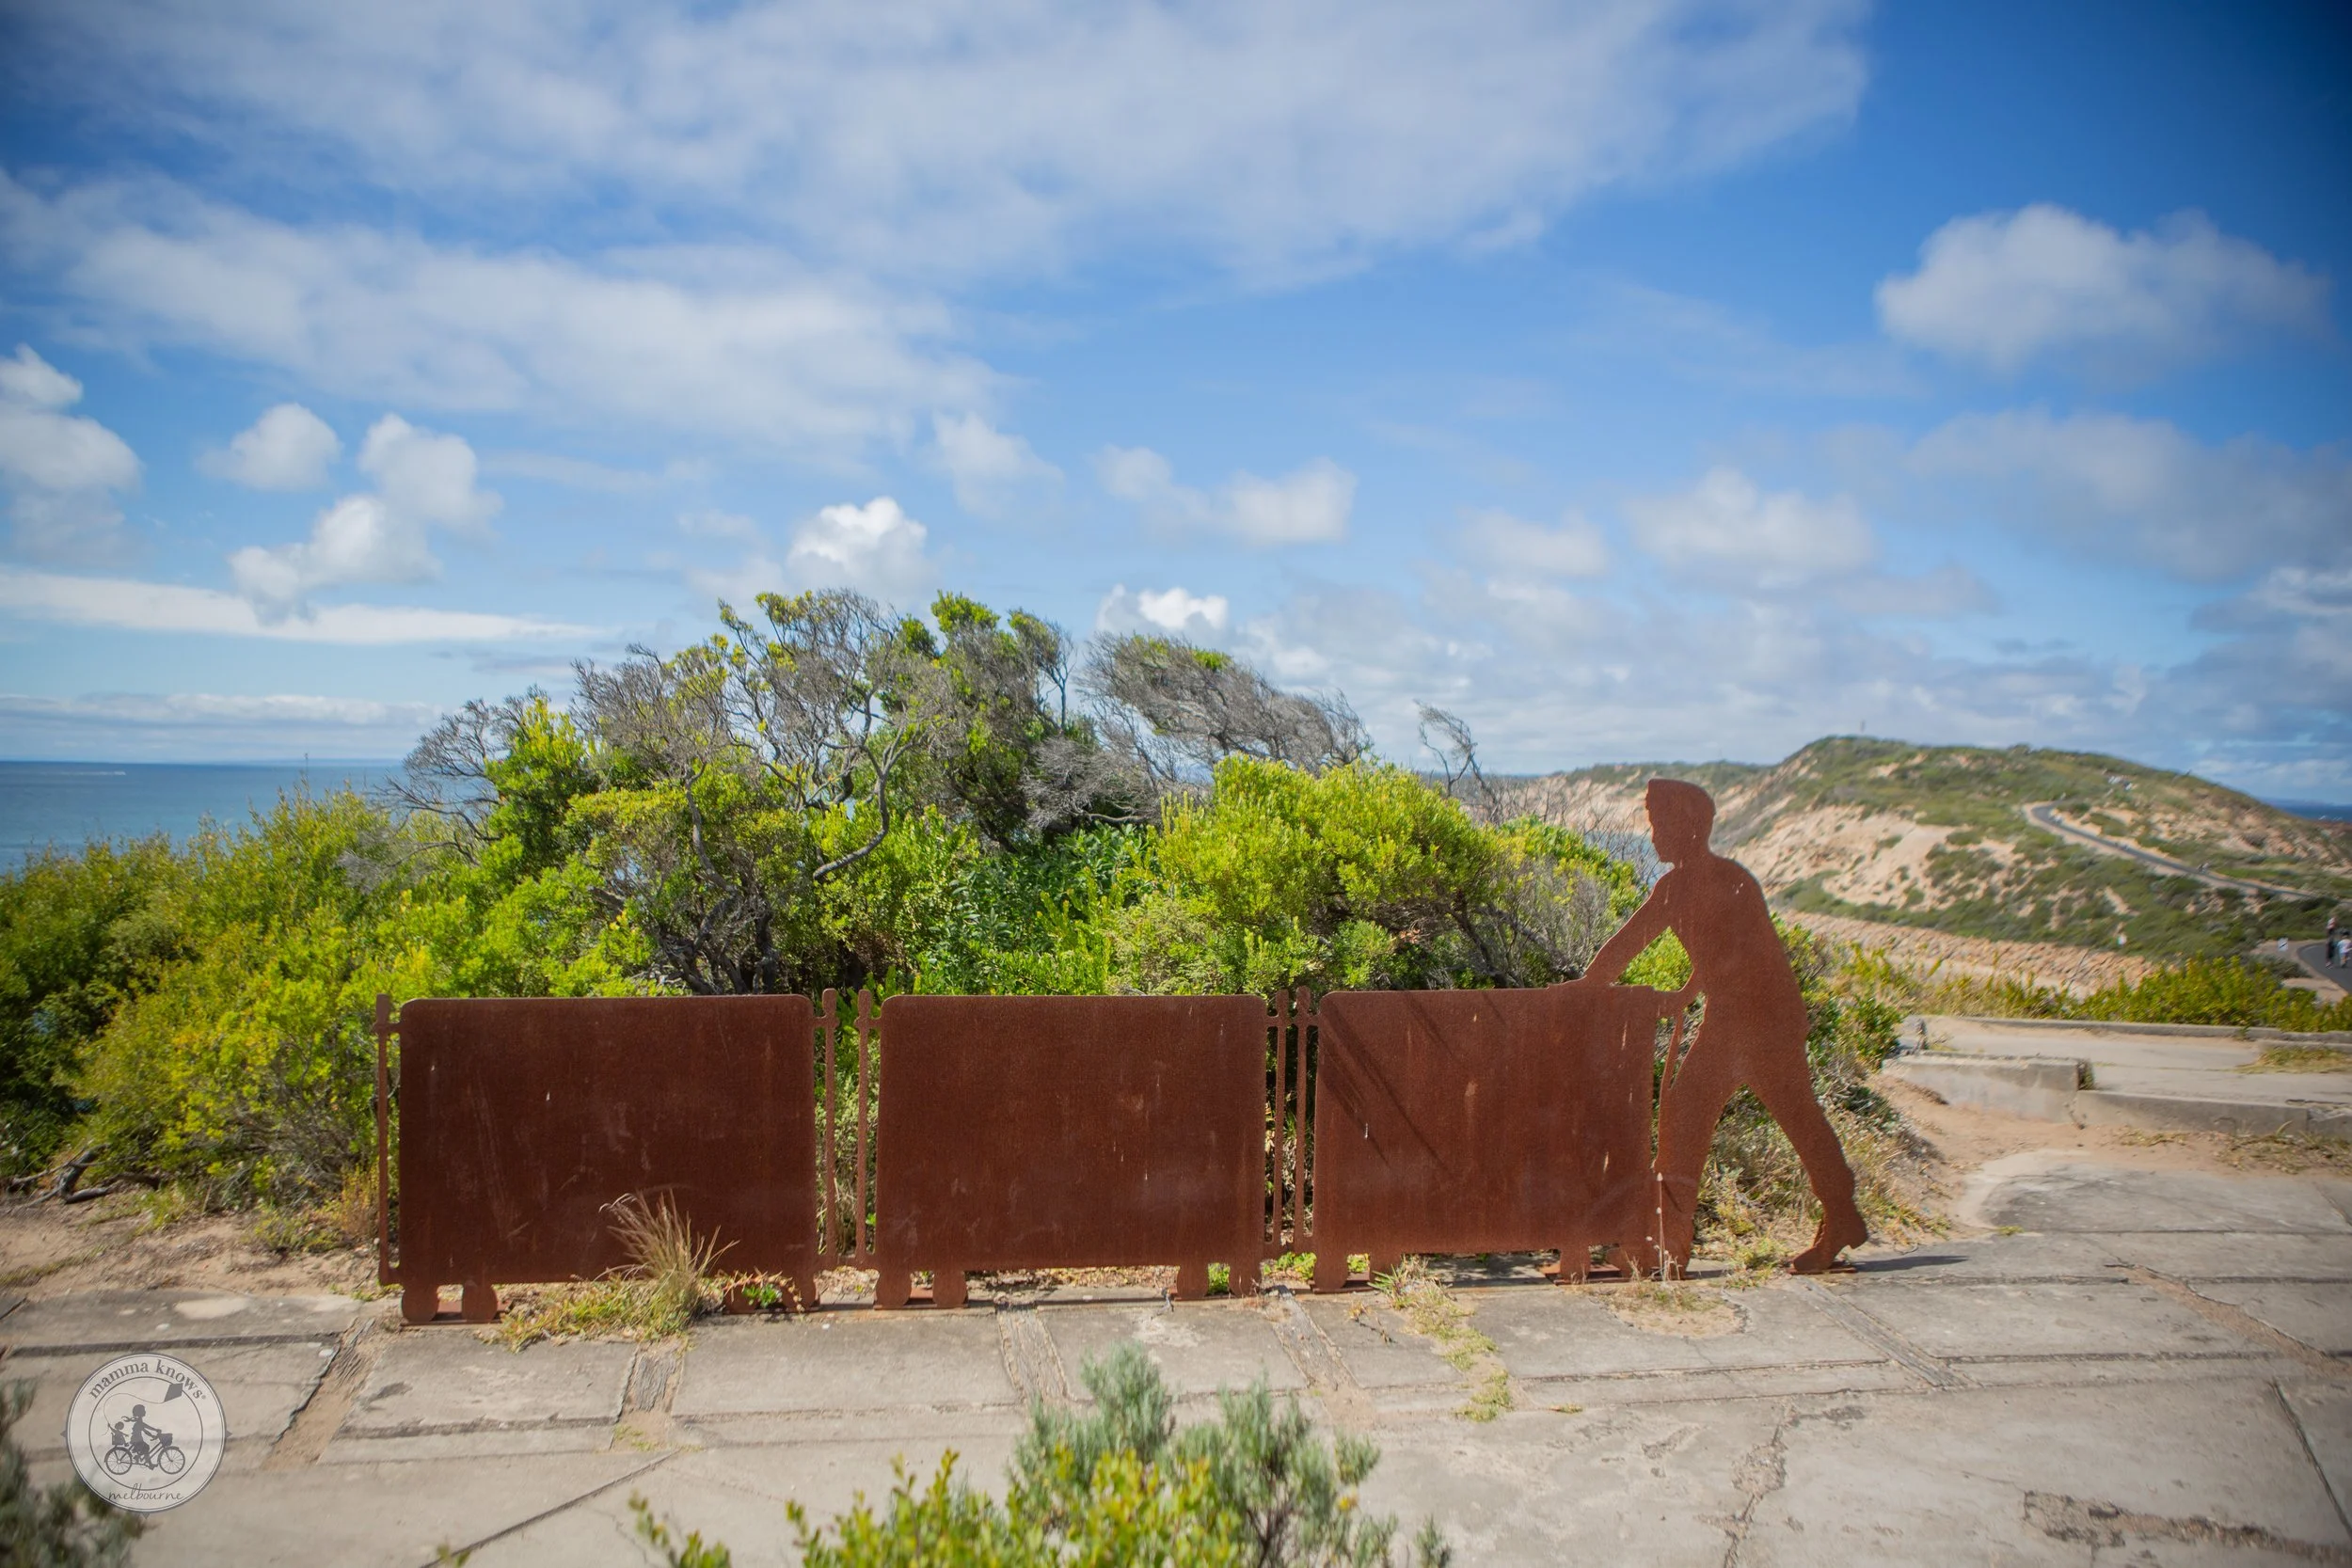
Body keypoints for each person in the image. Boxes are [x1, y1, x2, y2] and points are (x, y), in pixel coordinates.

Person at [1574, 779, 1868, 1275]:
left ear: (1690, 827)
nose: (1653, 836)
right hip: (1740, 1016)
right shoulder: (1700, 883)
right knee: (1750, 1116)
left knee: (1725, 1117)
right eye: (1653, 824)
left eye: (1661, 824)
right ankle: (1673, 1240)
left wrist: (1600, 987)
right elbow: (1674, 948)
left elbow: (1720, 953)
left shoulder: (1711, 883)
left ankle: (1671, 1245)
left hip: (1756, 1020)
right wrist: (1675, 992)